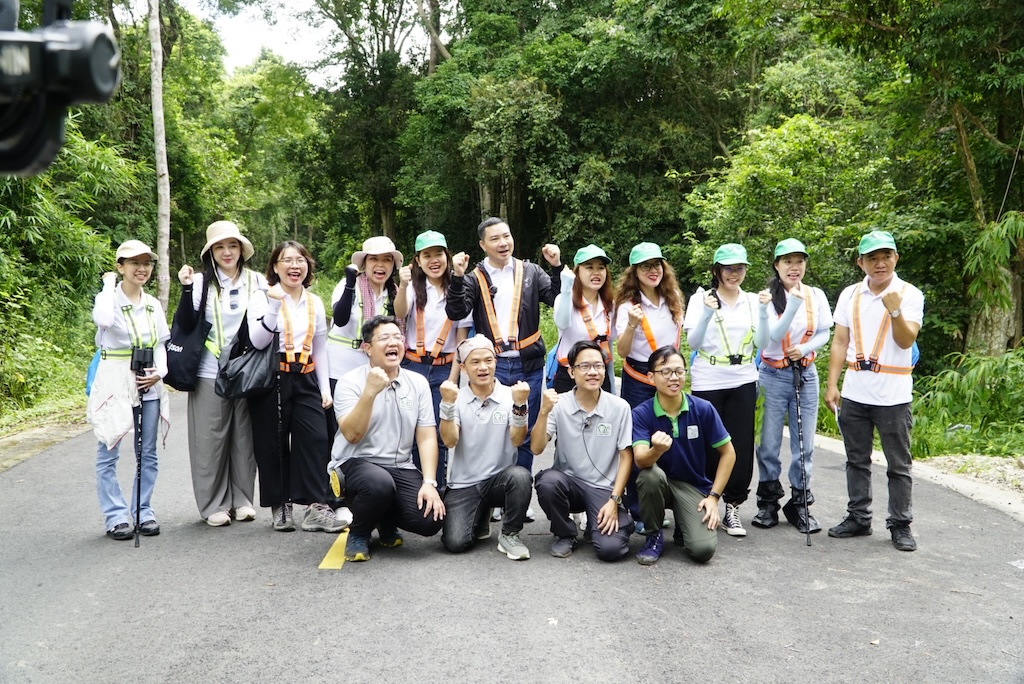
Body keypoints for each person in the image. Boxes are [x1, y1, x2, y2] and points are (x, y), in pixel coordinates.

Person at [446, 216, 562, 522]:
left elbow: (556, 299)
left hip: (529, 365)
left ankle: (518, 499)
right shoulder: (474, 277)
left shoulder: (531, 272)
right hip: (492, 365)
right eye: (495, 239)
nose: (503, 243)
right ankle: (494, 494)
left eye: (507, 236)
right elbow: (456, 310)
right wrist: (457, 277)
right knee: (495, 431)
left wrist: (557, 267)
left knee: (521, 432)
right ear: (483, 245)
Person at [825, 231, 924, 552]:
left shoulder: (909, 294)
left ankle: (900, 524)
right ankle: (858, 517)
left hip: (894, 396)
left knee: (899, 465)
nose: (879, 263)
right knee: (856, 459)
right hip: (855, 391)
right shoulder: (850, 295)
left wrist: (894, 310)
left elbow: (906, 341)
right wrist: (832, 384)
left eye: (886, 256)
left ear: (896, 258)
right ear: (861, 262)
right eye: (872, 258)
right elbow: (840, 342)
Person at [246, 240, 344, 534]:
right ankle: (281, 505)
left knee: (316, 439)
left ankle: (317, 506)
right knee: (273, 443)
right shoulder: (262, 298)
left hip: (307, 376)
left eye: (300, 260)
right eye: (286, 260)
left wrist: (325, 389)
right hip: (272, 377)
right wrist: (274, 306)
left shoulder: (314, 301)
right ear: (275, 267)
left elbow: (320, 348)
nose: (294, 266)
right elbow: (258, 341)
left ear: (308, 266)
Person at [331, 315, 446, 562]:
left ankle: (384, 519)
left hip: (400, 465)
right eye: (384, 338)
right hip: (356, 462)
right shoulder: (349, 382)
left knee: (429, 520)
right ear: (367, 348)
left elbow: (426, 436)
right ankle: (359, 532)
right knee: (378, 484)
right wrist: (369, 393)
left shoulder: (417, 382)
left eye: (397, 337)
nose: (393, 342)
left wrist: (429, 482)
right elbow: (352, 435)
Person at [174, 220, 267, 527]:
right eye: (219, 247)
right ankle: (214, 503)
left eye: (232, 245)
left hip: (246, 371)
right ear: (210, 252)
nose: (227, 252)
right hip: (208, 371)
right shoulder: (201, 282)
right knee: (209, 438)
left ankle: (242, 500)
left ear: (242, 249)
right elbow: (186, 322)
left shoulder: (258, 281)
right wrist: (187, 288)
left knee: (245, 436)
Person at [87, 240, 170, 540]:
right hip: (115, 378)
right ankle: (116, 516)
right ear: (120, 267)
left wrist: (160, 373)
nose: (142, 268)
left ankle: (142, 511)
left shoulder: (152, 304)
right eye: (133, 263)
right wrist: (109, 285)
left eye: (146, 262)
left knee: (147, 451)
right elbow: (104, 320)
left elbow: (160, 343)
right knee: (109, 446)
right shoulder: (107, 299)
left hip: (147, 379)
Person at [752, 238, 833, 534]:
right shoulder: (766, 298)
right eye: (787, 261)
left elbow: (825, 331)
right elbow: (771, 337)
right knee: (769, 443)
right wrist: (792, 304)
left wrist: (807, 346)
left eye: (799, 261)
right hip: (773, 374)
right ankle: (768, 502)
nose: (794, 267)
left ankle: (800, 503)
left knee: (804, 445)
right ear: (777, 266)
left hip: (806, 373)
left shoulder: (816, 295)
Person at [631, 346, 736, 565]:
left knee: (702, 550)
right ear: (651, 376)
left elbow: (729, 454)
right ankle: (654, 535)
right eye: (666, 372)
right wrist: (656, 450)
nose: (674, 377)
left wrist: (714, 497)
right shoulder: (642, 413)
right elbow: (640, 459)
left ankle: (683, 525)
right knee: (649, 476)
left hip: (693, 486)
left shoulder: (703, 408)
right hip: (660, 482)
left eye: (679, 371)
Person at [532, 341, 635, 561]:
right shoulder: (559, 404)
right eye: (585, 366)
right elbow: (537, 447)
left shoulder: (620, 407)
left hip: (604, 489)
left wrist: (615, 500)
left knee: (611, 550)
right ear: (571, 371)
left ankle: (612, 521)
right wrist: (543, 412)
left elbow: (626, 457)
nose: (593, 372)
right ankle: (565, 533)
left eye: (598, 366)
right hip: (569, 484)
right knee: (547, 482)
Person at [683, 243, 759, 537]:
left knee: (740, 444)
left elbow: (761, 341)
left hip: (743, 377)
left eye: (739, 268)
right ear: (717, 270)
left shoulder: (752, 301)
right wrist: (706, 312)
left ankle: (733, 506)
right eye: (728, 268)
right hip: (708, 378)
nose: (734, 273)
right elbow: (694, 343)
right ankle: (703, 500)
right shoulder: (700, 299)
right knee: (707, 444)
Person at [326, 235, 402, 525]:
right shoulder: (350, 285)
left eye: (386, 260)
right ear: (364, 264)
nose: (380, 265)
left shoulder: (395, 292)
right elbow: (341, 319)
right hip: (342, 364)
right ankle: (334, 497)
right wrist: (348, 282)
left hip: (375, 366)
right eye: (374, 260)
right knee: (340, 429)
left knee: (372, 426)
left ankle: (365, 492)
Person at [437, 335, 532, 559]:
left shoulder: (512, 395)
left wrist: (520, 405)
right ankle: (480, 516)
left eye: (488, 361)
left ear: (495, 362)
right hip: (464, 484)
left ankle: (509, 534)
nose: (483, 367)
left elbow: (517, 440)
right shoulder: (456, 398)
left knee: (520, 476)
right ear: (463, 368)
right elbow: (449, 441)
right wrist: (447, 405)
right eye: (475, 362)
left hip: (499, 481)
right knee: (455, 543)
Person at [394, 230, 472, 489]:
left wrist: (452, 378)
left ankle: (436, 489)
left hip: (444, 368)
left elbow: (461, 340)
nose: (433, 260)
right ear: (417, 261)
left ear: (447, 256)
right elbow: (400, 312)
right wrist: (403, 284)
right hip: (413, 366)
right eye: (426, 255)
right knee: (412, 430)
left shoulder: (458, 289)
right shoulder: (416, 288)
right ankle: (412, 490)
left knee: (440, 431)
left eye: (438, 253)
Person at [614, 242, 685, 409]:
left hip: (669, 373)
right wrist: (631, 325)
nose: (653, 271)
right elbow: (622, 351)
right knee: (640, 429)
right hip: (639, 379)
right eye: (646, 266)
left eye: (657, 265)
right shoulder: (627, 306)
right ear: (635, 272)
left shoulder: (672, 297)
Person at [550, 244, 614, 394]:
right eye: (589, 267)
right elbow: (562, 324)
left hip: (599, 377)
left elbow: (608, 346)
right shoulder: (565, 299)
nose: (596, 272)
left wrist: (610, 383)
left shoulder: (610, 305)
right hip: (569, 376)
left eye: (601, 267)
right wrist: (566, 288)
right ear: (577, 271)